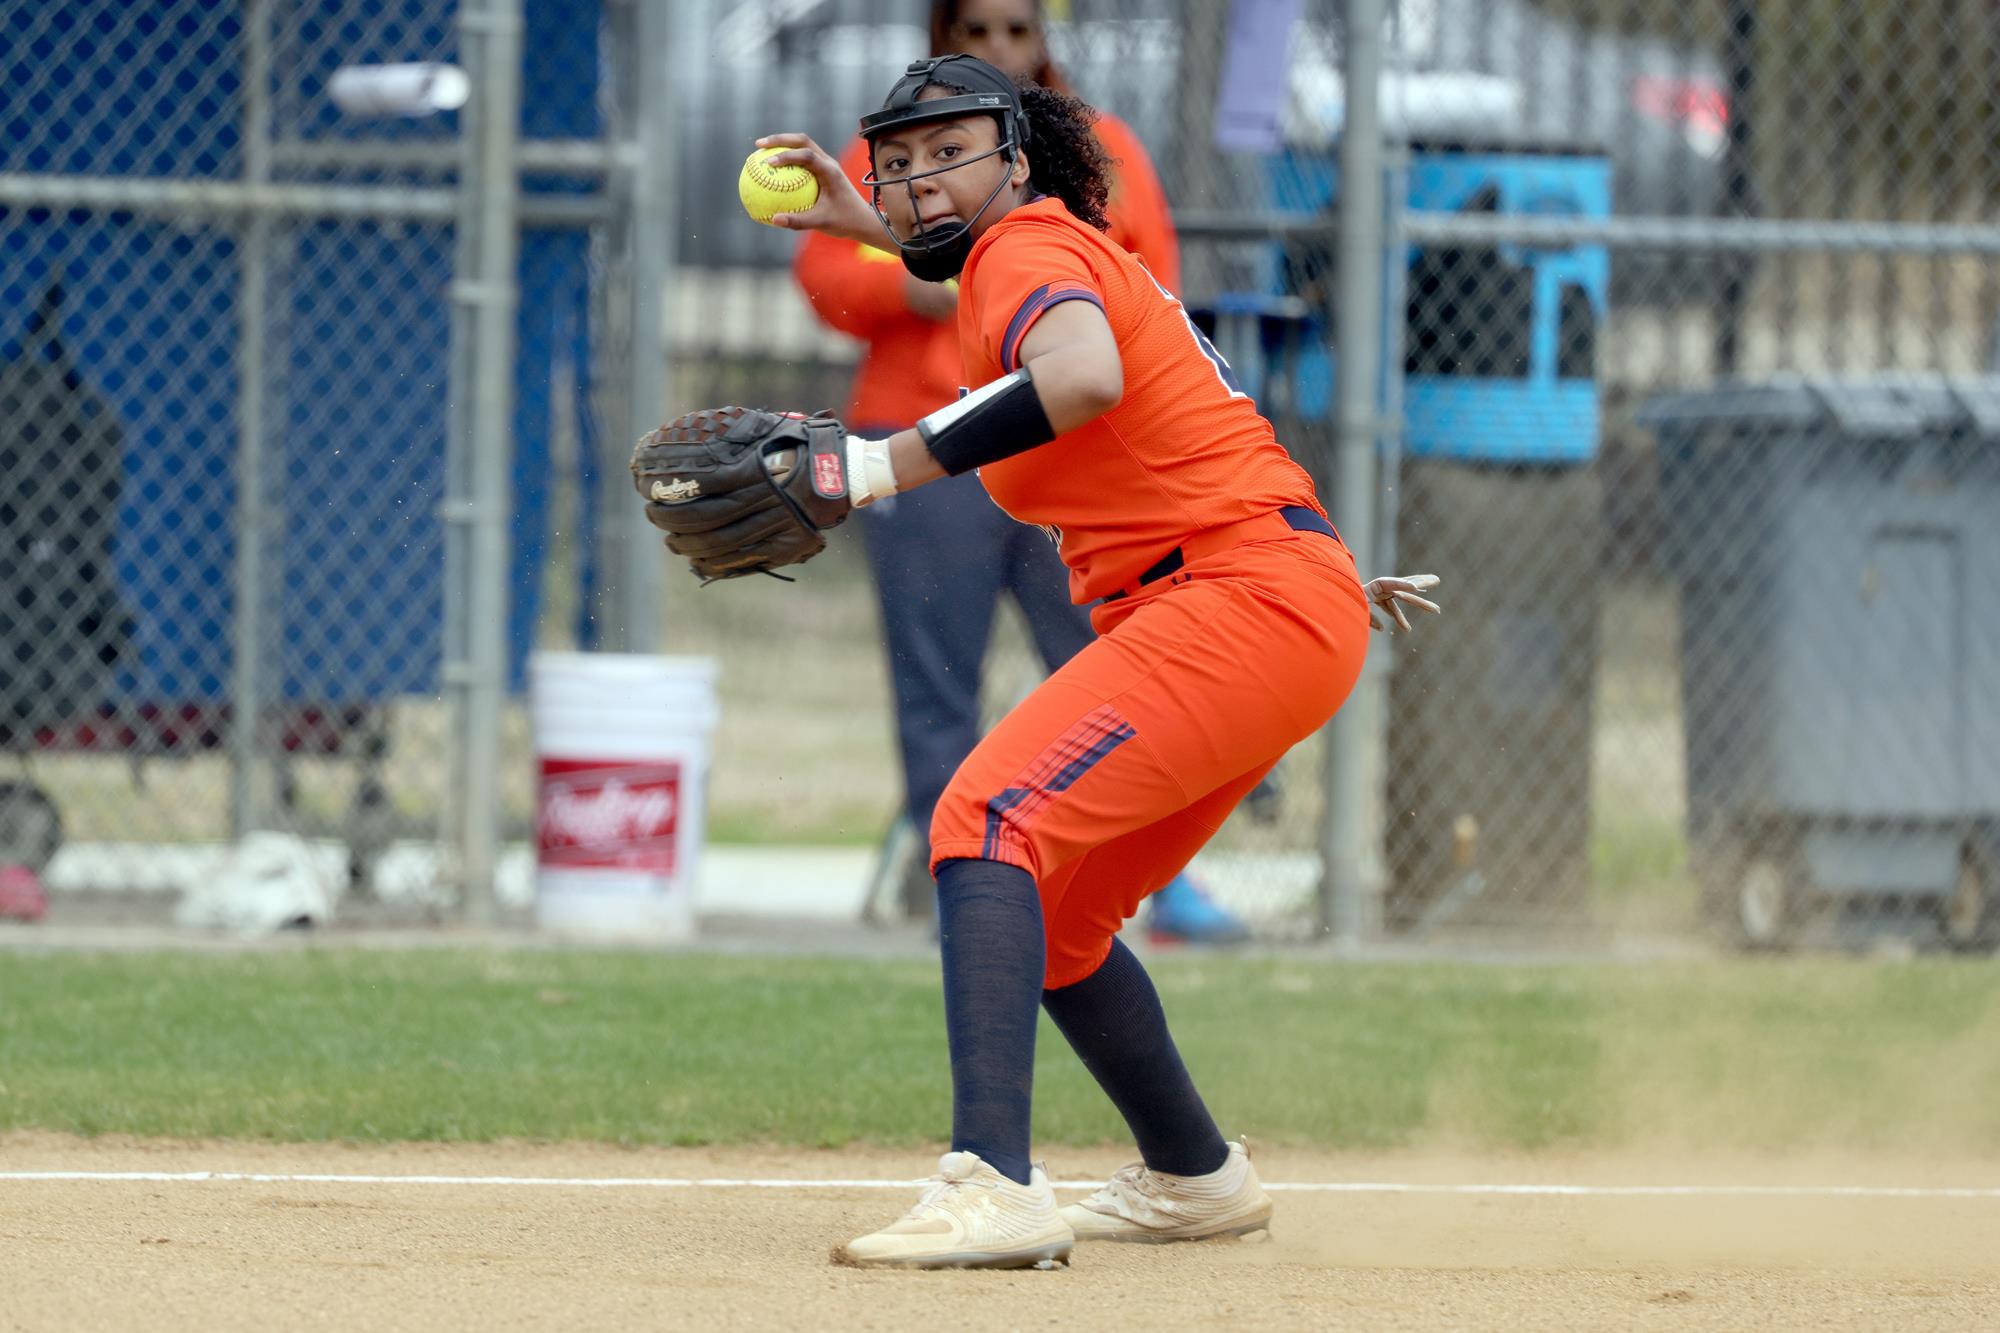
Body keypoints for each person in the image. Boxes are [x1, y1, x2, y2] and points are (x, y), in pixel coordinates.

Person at [755, 56, 1439, 1270]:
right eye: (898, 162)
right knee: (1061, 916)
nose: (917, 180)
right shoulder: (1036, 249)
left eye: (948, 150)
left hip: (1232, 595)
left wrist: (869, 467)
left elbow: (1080, 381)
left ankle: (993, 1185)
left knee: (984, 817)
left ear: (1016, 157)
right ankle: (1193, 1175)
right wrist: (855, 217)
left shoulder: (1025, 251)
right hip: (1264, 594)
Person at [793, 0, 1252, 944]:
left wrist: (981, 272)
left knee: (1113, 669)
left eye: (1016, 28)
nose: (1000, 46)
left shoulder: (1097, 142)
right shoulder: (899, 143)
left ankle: (1154, 879)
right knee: (937, 684)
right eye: (976, 31)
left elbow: (1145, 282)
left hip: (1073, 459)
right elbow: (826, 279)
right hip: (930, 440)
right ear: (943, 37)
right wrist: (926, 276)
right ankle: (956, 880)